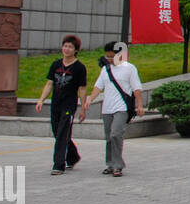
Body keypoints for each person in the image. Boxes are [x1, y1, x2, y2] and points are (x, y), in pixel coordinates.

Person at [81, 41, 145, 178]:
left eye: (112, 56)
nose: (109, 59)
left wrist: (139, 105)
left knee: (116, 134)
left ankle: (118, 165)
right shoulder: (105, 70)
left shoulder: (130, 68)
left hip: (122, 108)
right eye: (107, 57)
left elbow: (137, 88)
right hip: (107, 109)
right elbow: (98, 87)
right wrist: (90, 99)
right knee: (109, 137)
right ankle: (110, 164)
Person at [34, 35, 86, 175]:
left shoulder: (79, 68)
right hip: (56, 103)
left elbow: (82, 88)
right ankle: (73, 156)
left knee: (63, 132)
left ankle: (58, 165)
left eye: (70, 47)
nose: (67, 49)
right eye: (65, 46)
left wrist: (83, 107)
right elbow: (49, 83)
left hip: (69, 105)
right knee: (58, 132)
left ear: (76, 50)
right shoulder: (56, 64)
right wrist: (41, 100)